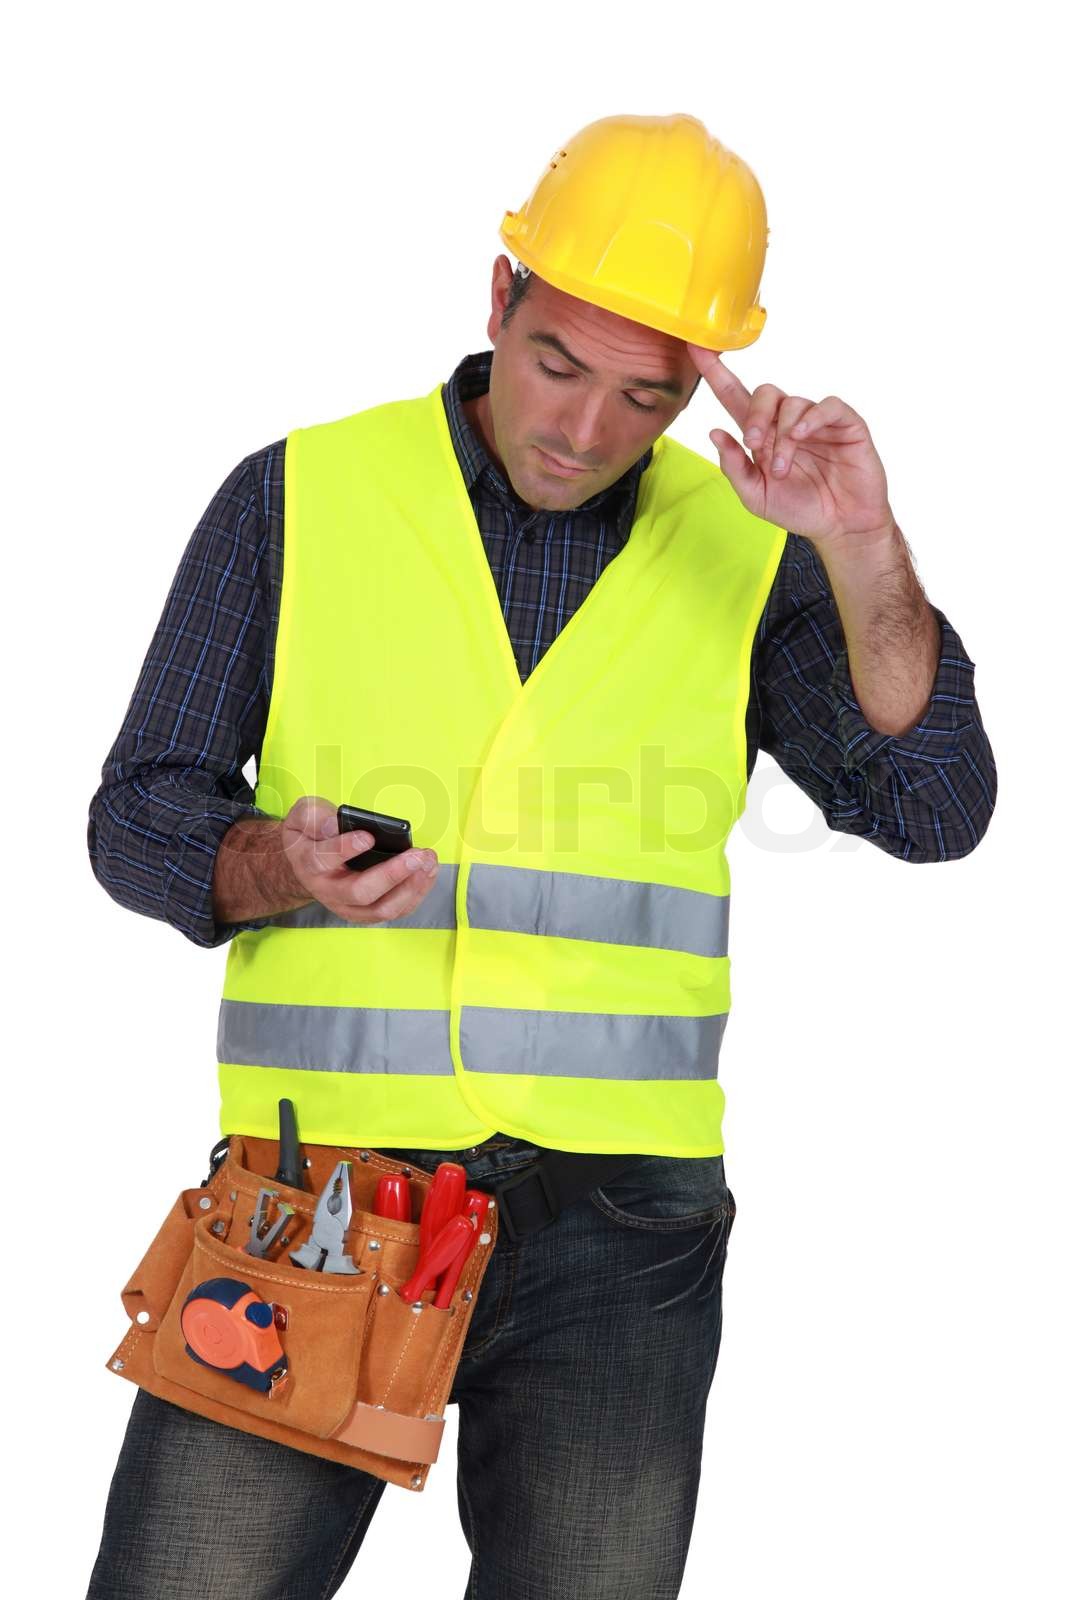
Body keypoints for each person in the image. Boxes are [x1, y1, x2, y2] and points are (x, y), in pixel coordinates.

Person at [85, 114, 996, 1599]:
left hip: (624, 1231)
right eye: (558, 364)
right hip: (316, 1196)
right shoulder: (296, 495)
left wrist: (862, 544)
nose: (583, 428)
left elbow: (935, 804)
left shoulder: (758, 550)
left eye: (645, 396)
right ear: (499, 296)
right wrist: (276, 866)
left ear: (697, 385)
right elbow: (138, 815)